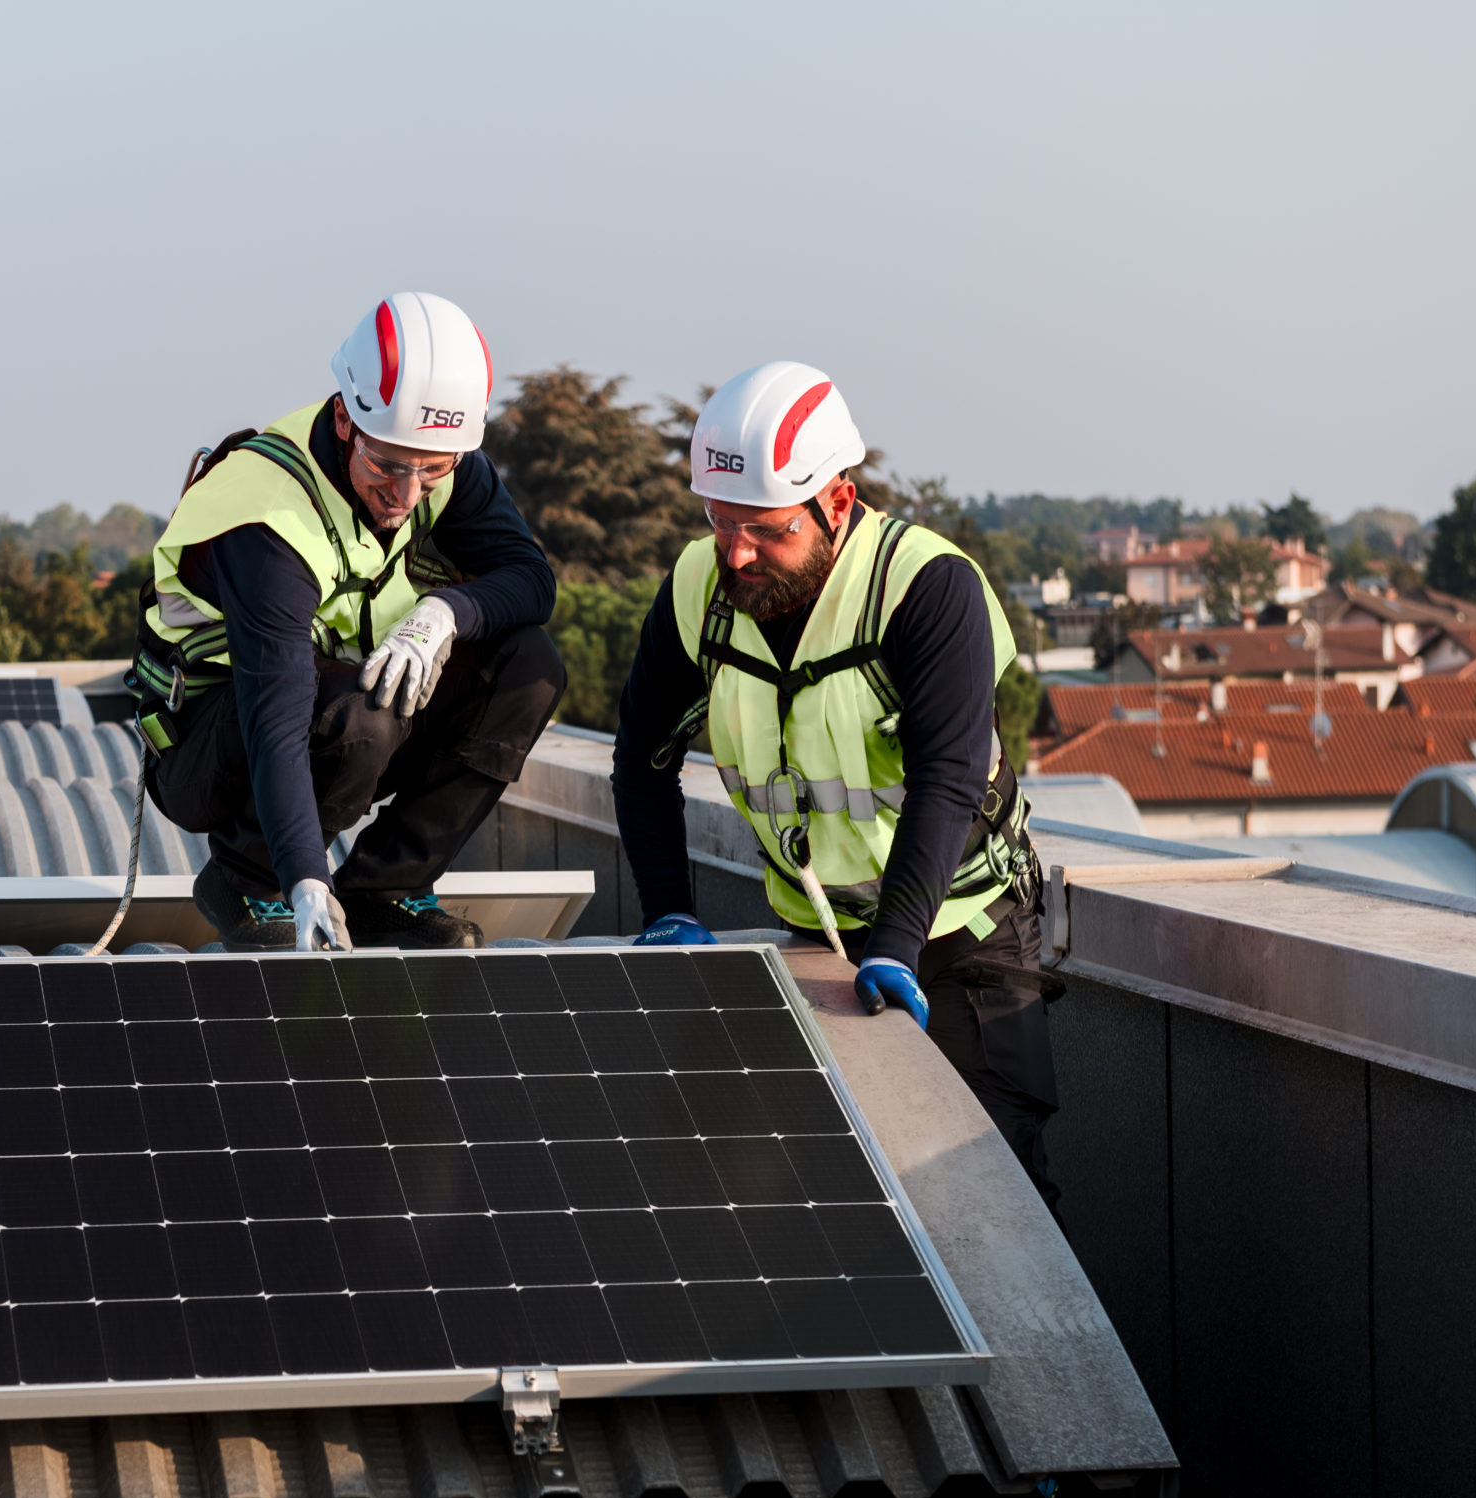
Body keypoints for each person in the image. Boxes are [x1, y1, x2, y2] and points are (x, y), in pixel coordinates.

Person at [609, 362, 1061, 1210]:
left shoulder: (925, 588)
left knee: (991, 1196)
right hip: (813, 941)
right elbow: (643, 757)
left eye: (768, 531)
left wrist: (896, 940)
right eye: (720, 523)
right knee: (830, 1206)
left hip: (962, 938)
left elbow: (949, 774)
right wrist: (669, 907)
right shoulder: (699, 589)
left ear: (838, 503)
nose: (737, 552)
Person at [134, 292, 564, 953]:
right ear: (345, 419)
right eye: (388, 465)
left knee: (529, 668)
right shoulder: (268, 519)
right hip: (212, 740)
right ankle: (248, 882)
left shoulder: (441, 460)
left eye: (433, 470)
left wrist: (446, 611)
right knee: (362, 710)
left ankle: (386, 889)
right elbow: (275, 713)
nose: (408, 495)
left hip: (337, 705)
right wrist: (304, 878)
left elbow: (532, 581)